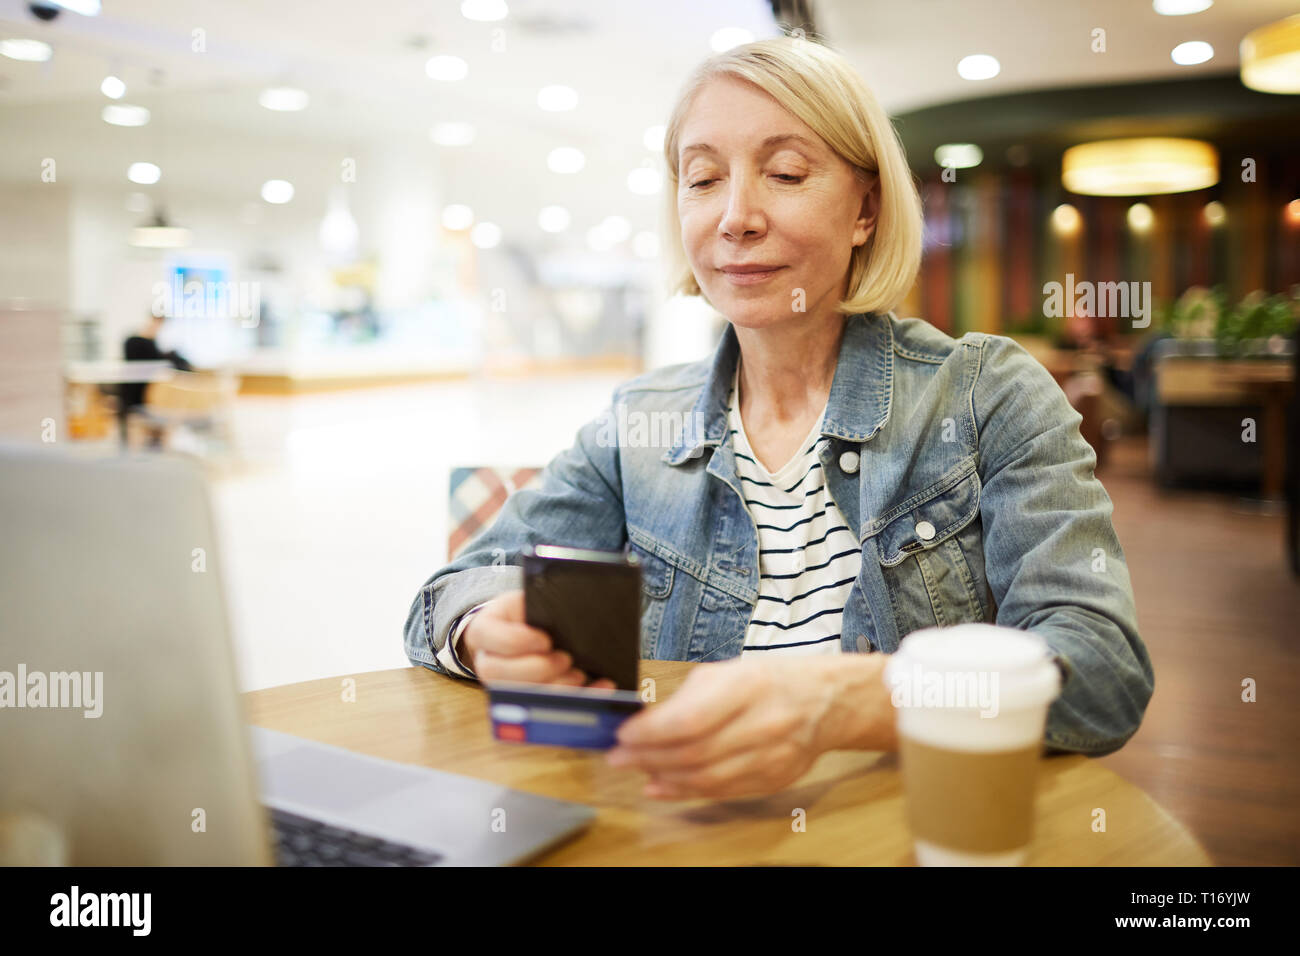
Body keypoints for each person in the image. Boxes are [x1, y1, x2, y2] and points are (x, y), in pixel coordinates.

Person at [403, 36, 1154, 800]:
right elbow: (448, 594)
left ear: (865, 208)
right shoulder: (641, 423)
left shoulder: (988, 396)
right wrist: (483, 632)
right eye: (702, 179)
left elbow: (1100, 673)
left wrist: (846, 702)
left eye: (786, 173)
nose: (735, 217)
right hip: (685, 834)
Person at [118, 310, 193, 447]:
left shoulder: (161, 350)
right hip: (139, 399)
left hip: (153, 400)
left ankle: (156, 438)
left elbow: (183, 366)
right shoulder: (135, 343)